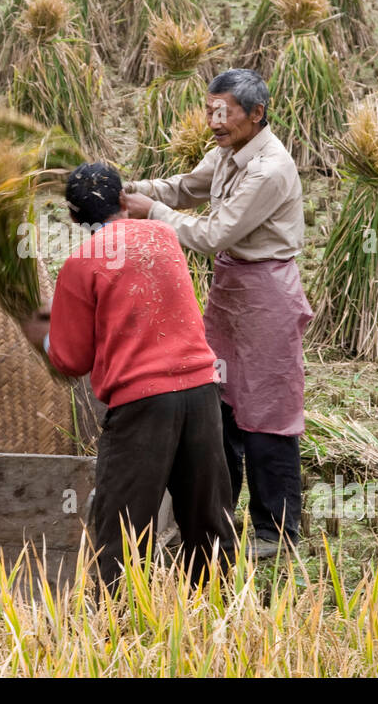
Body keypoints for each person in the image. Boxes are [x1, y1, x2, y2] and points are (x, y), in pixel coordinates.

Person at [121, 68, 313, 559]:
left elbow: (211, 235)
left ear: (256, 113)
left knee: (267, 410)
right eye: (210, 111)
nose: (214, 122)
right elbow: (185, 187)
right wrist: (127, 189)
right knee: (222, 400)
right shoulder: (227, 153)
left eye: (224, 112)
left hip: (266, 290)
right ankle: (220, 514)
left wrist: (149, 213)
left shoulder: (269, 168)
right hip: (232, 289)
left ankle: (278, 531)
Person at [21, 162, 236, 589]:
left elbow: (71, 360)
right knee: (208, 523)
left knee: (122, 531)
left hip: (142, 406)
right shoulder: (165, 238)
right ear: (123, 200)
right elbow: (144, 306)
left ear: (72, 215)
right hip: (201, 391)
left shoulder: (81, 263)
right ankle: (219, 623)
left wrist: (44, 335)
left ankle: (117, 634)